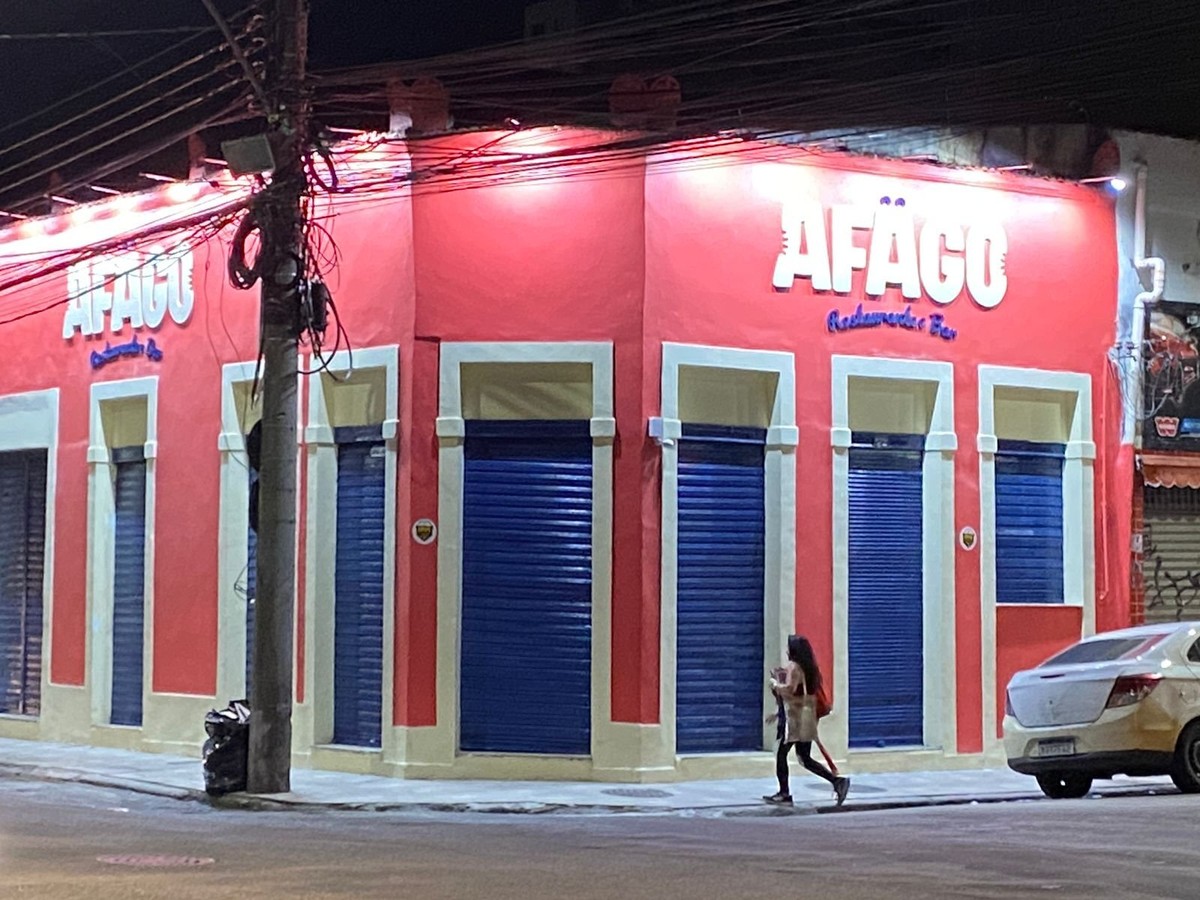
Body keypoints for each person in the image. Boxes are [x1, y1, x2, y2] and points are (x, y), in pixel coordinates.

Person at [763, 634, 850, 806]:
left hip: (795, 719)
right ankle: (837, 781)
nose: (787, 651)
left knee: (782, 754)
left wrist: (774, 684)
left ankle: (784, 793)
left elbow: (789, 690)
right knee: (804, 757)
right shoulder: (809, 668)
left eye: (789, 647)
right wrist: (777, 713)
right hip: (806, 715)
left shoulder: (794, 667)